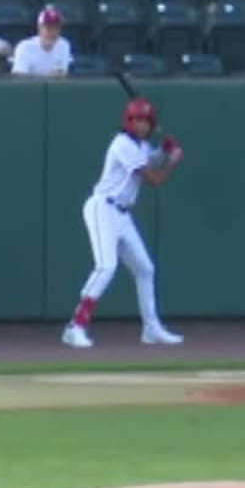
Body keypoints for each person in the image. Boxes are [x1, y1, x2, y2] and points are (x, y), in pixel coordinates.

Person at [61, 99, 185, 351]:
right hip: (102, 208)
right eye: (137, 120)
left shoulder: (140, 146)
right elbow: (154, 179)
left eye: (146, 121)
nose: (141, 125)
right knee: (106, 266)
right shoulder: (122, 144)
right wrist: (172, 160)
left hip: (122, 214)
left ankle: (151, 329)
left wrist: (164, 150)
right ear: (128, 121)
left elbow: (151, 159)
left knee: (145, 269)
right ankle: (76, 327)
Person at [9, 6, 73, 78]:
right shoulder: (24, 47)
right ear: (39, 28)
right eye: (49, 28)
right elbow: (19, 75)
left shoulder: (64, 45)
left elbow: (61, 74)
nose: (53, 32)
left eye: (56, 28)